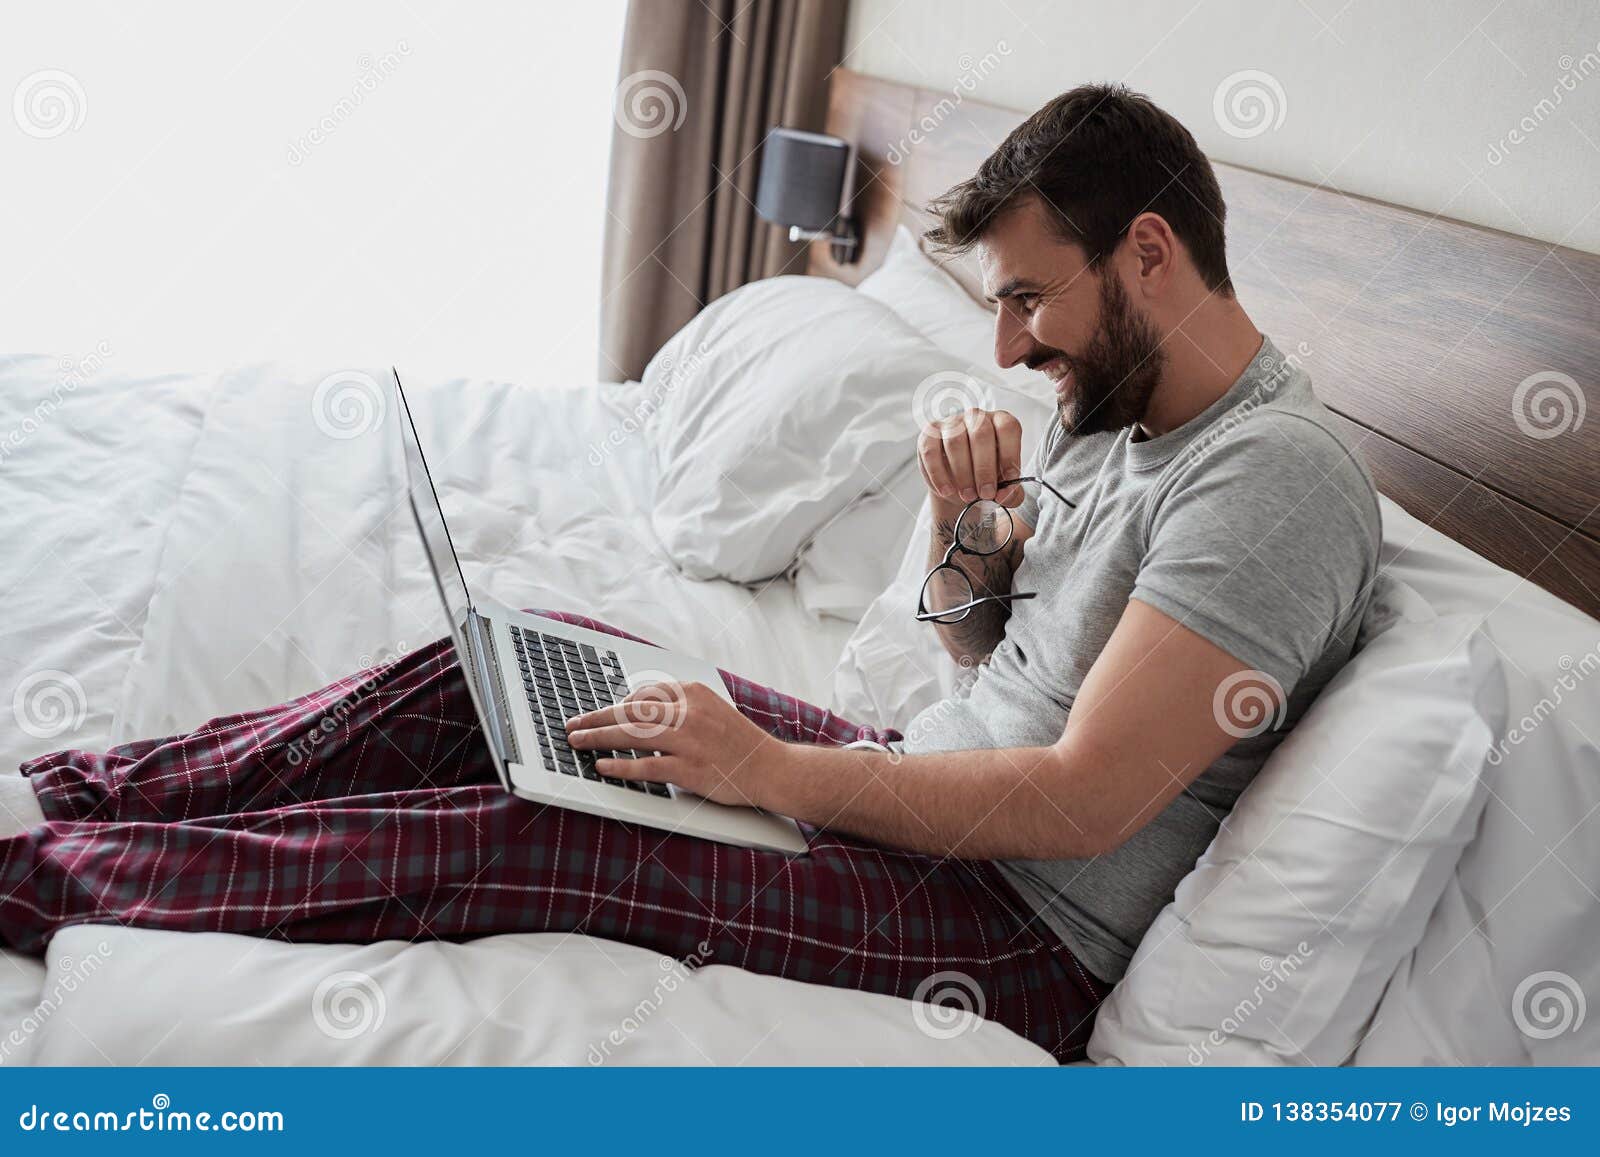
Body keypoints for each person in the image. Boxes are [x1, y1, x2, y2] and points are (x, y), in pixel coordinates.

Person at [1, 83, 1379, 1064]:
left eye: (1031, 296)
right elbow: (985, 657)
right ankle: (83, 791)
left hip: (1015, 922)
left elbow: (1083, 801)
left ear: (1150, 248)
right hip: (921, 782)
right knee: (515, 659)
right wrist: (971, 536)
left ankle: (45, 878)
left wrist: (770, 773)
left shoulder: (1274, 482)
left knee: (537, 829)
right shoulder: (1117, 412)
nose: (1010, 349)